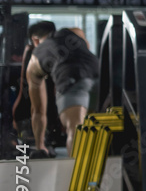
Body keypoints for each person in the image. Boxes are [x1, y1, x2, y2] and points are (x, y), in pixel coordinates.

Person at [24, 21, 99, 157]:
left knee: (75, 129)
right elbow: (85, 49)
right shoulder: (75, 32)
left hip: (72, 80)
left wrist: (40, 146)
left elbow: (38, 110)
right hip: (101, 76)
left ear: (35, 40)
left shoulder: (34, 61)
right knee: (103, 126)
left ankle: (78, 175)